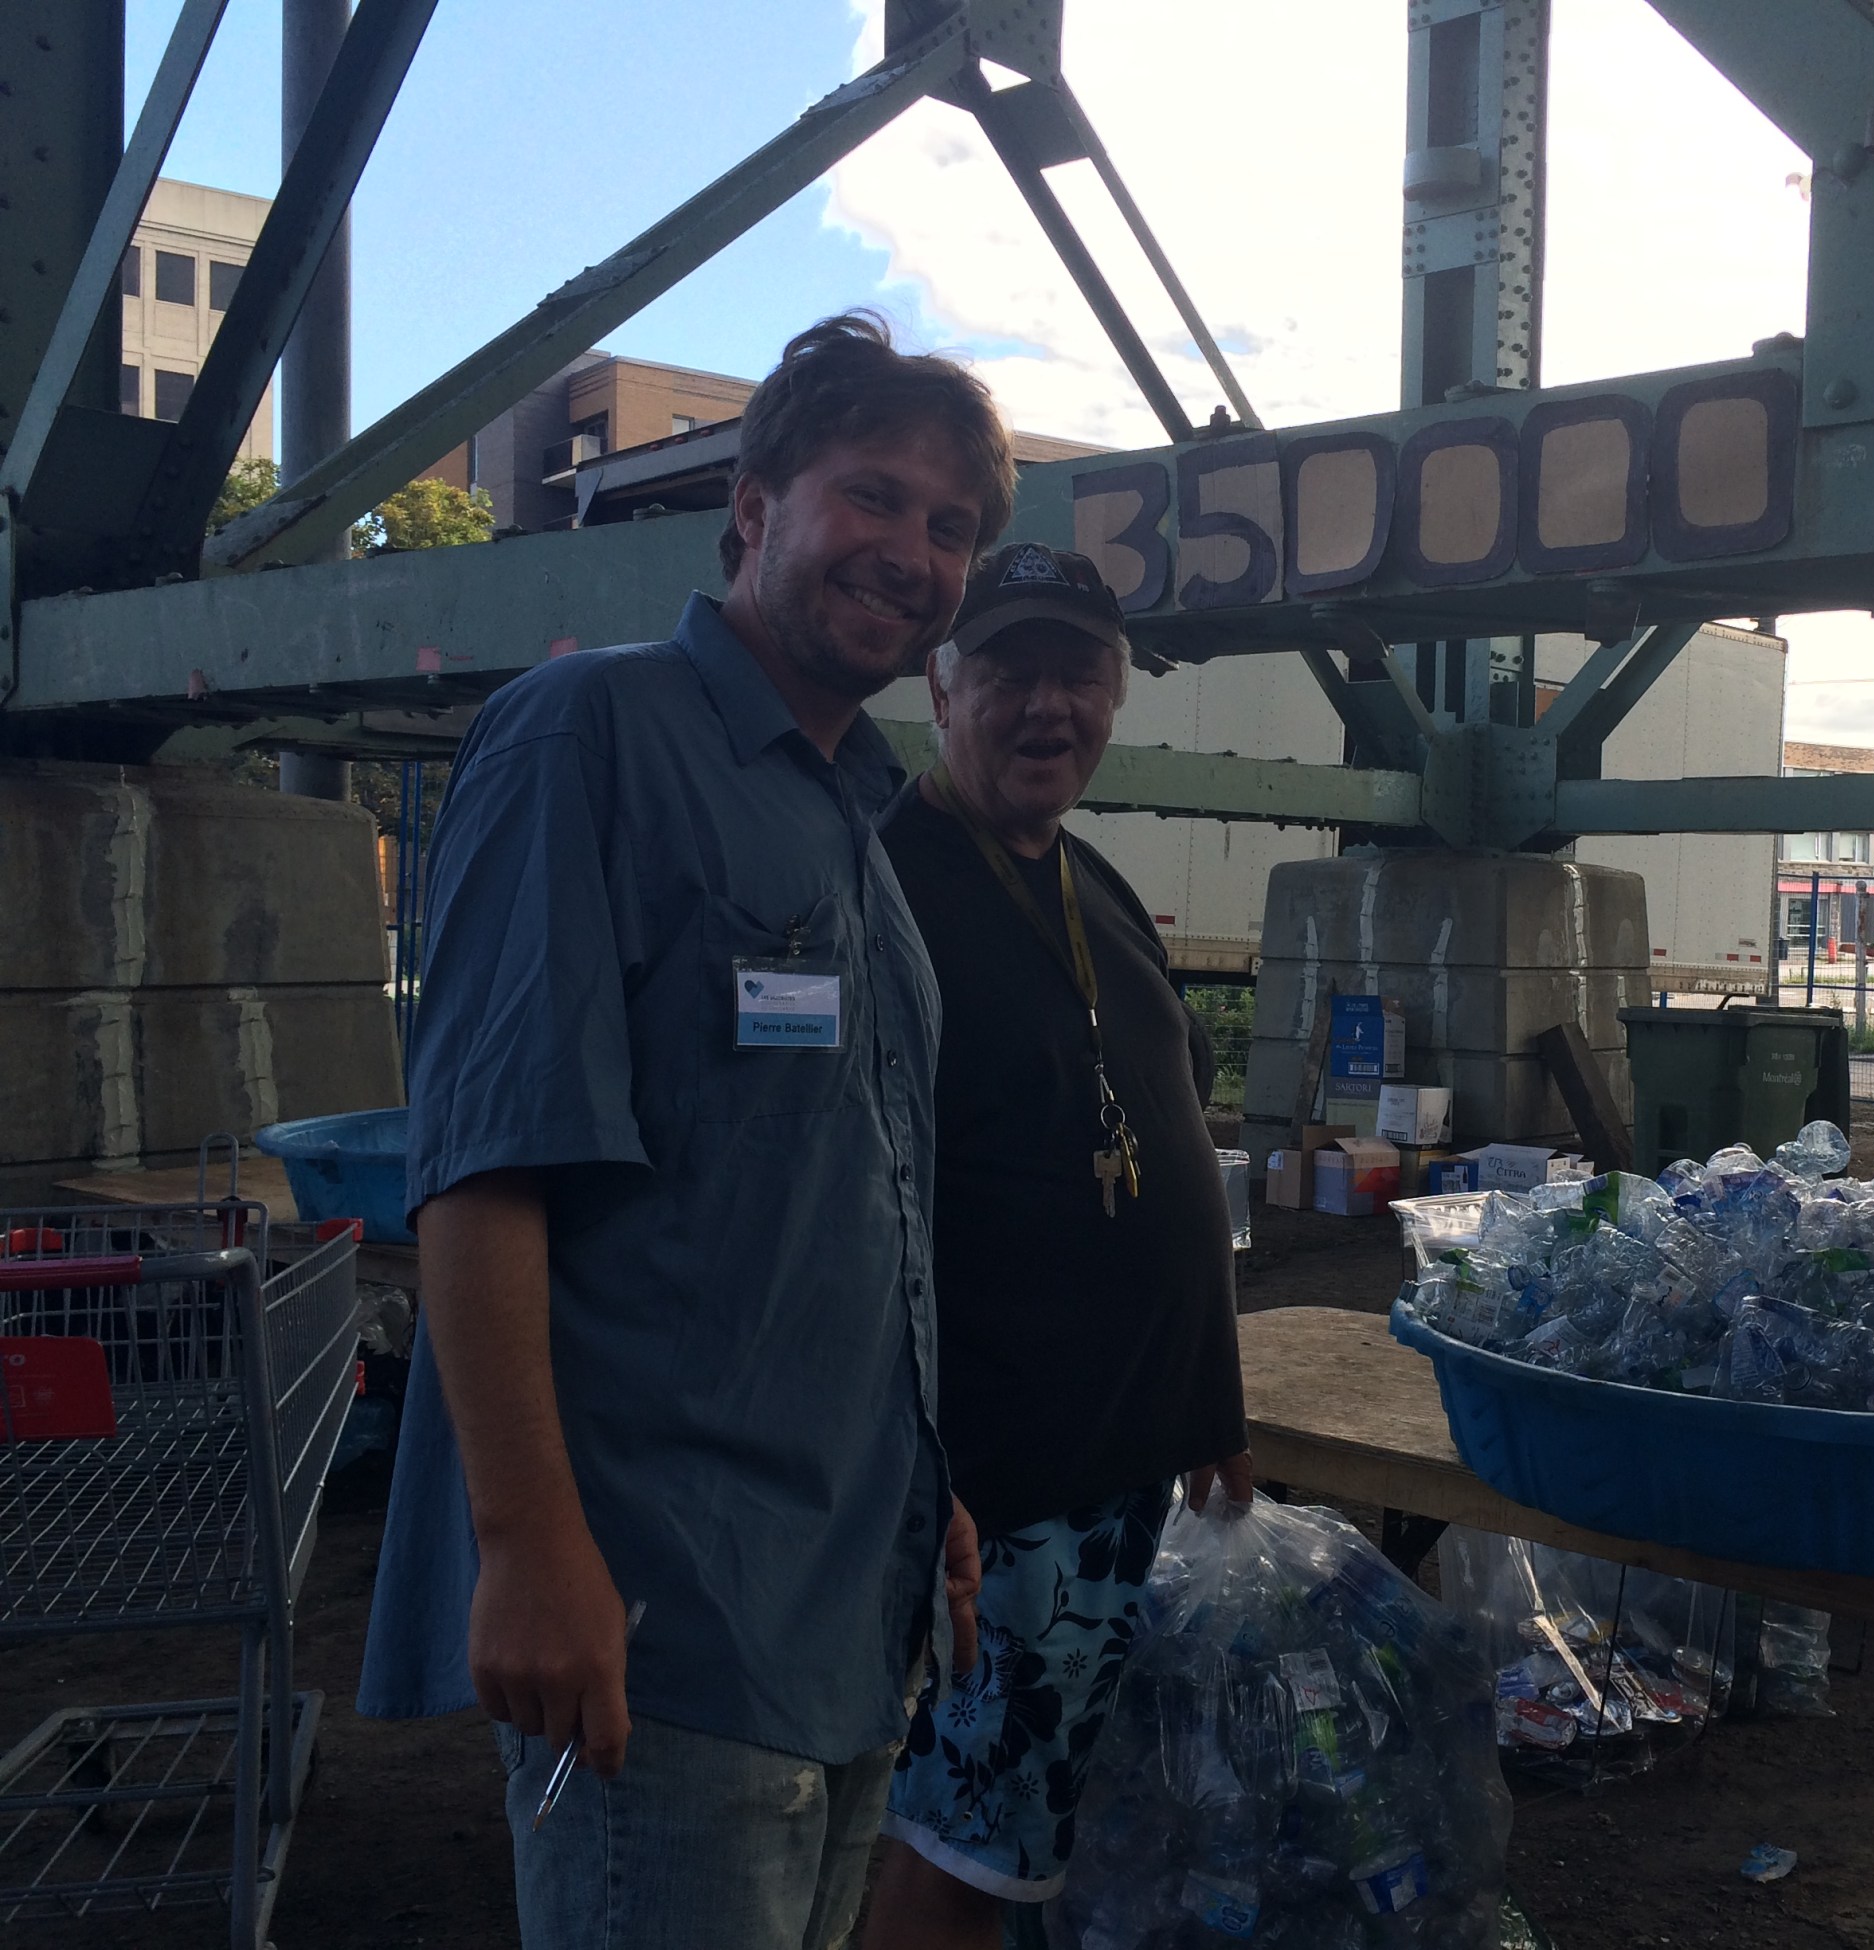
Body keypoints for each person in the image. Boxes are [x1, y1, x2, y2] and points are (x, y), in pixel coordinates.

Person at [358, 312, 1012, 1950]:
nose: (915, 555)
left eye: (953, 529)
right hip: (663, 1630)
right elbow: (485, 1170)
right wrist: (525, 1546)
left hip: (846, 1617)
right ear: (754, 503)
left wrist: (913, 1480)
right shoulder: (593, 741)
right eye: (875, 496)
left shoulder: (853, 818)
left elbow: (820, 1200)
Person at [857, 544, 1252, 1947]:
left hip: (1114, 1461)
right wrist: (930, 1479)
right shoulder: (880, 890)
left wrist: (1209, 1400)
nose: (1048, 706)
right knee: (965, 1845)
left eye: (1078, 672)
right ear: (940, 684)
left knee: (1022, 1834)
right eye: (1009, 670)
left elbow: (1166, 1146)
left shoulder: (1093, 881)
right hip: (993, 1483)